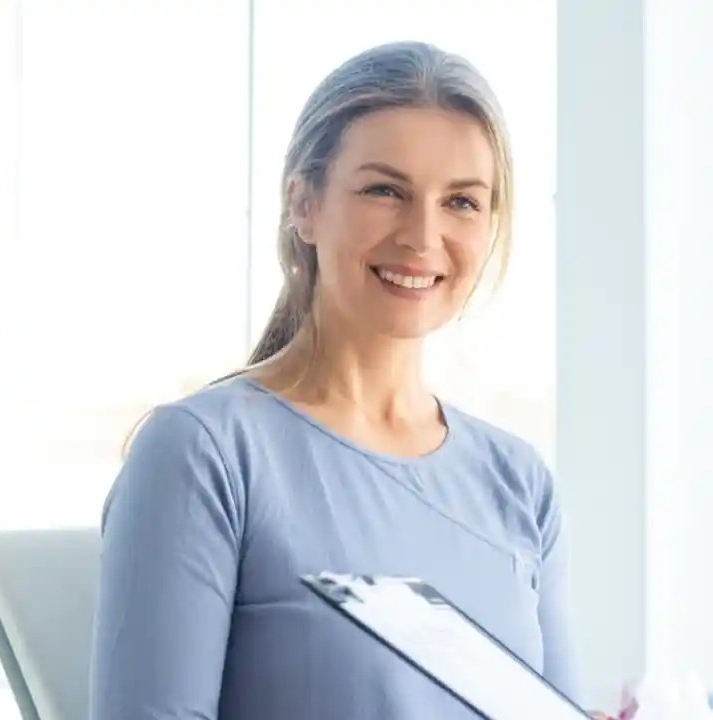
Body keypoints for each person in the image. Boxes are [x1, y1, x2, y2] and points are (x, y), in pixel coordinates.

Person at [89, 41, 588, 719]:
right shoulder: (205, 453)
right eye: (385, 190)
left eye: (462, 202)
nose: (422, 236)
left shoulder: (519, 482)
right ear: (304, 204)